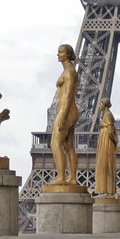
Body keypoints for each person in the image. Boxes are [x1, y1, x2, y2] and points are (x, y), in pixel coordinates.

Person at [49, 44, 81, 187]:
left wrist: (61, 116)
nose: (58, 54)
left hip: (66, 111)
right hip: (70, 111)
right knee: (69, 146)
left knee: (55, 143)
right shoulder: (70, 71)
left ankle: (61, 177)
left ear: (68, 54)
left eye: (60, 52)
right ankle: (72, 178)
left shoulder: (69, 72)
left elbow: (68, 96)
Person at [94, 99, 119, 199]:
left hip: (106, 143)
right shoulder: (106, 115)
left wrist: (115, 142)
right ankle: (107, 190)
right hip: (105, 142)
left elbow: (110, 132)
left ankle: (108, 191)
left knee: (105, 164)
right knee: (105, 165)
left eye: (100, 103)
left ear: (104, 105)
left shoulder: (107, 115)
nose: (99, 105)